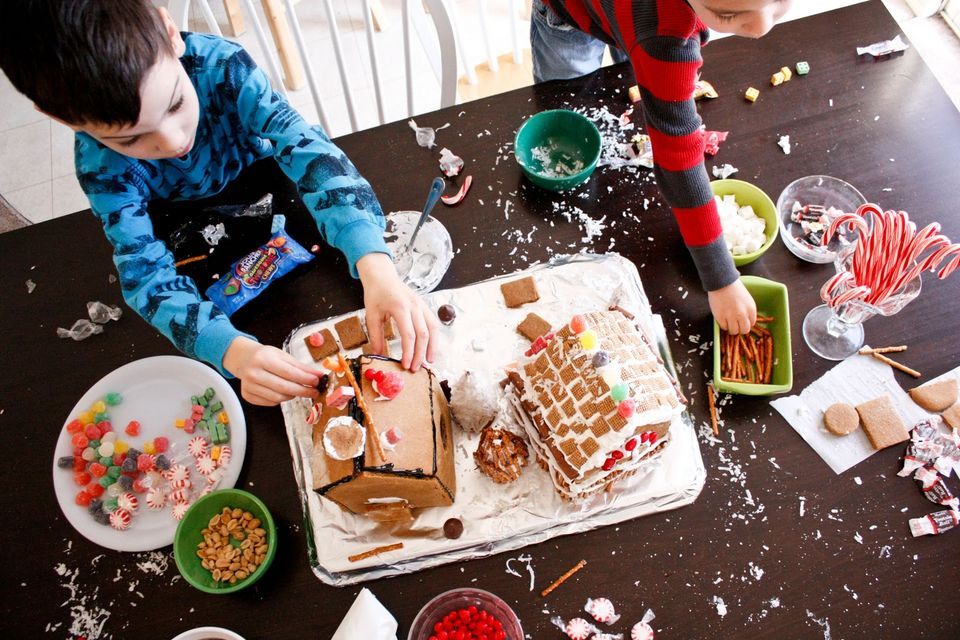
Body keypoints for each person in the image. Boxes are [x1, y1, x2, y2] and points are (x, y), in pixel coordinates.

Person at [0, 0, 439, 406]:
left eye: (174, 103)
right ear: (60, 117)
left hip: (272, 192)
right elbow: (144, 272)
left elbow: (310, 152)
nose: (173, 142)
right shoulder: (101, 169)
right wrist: (228, 348)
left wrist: (375, 265)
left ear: (169, 32)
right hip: (182, 230)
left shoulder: (224, 67)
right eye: (131, 139)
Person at [530, 0, 794, 334]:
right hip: (571, 15)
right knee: (568, 108)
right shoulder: (664, 38)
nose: (762, 27)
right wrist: (721, 279)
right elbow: (677, 158)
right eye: (727, 14)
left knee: (640, 50)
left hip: (632, 17)